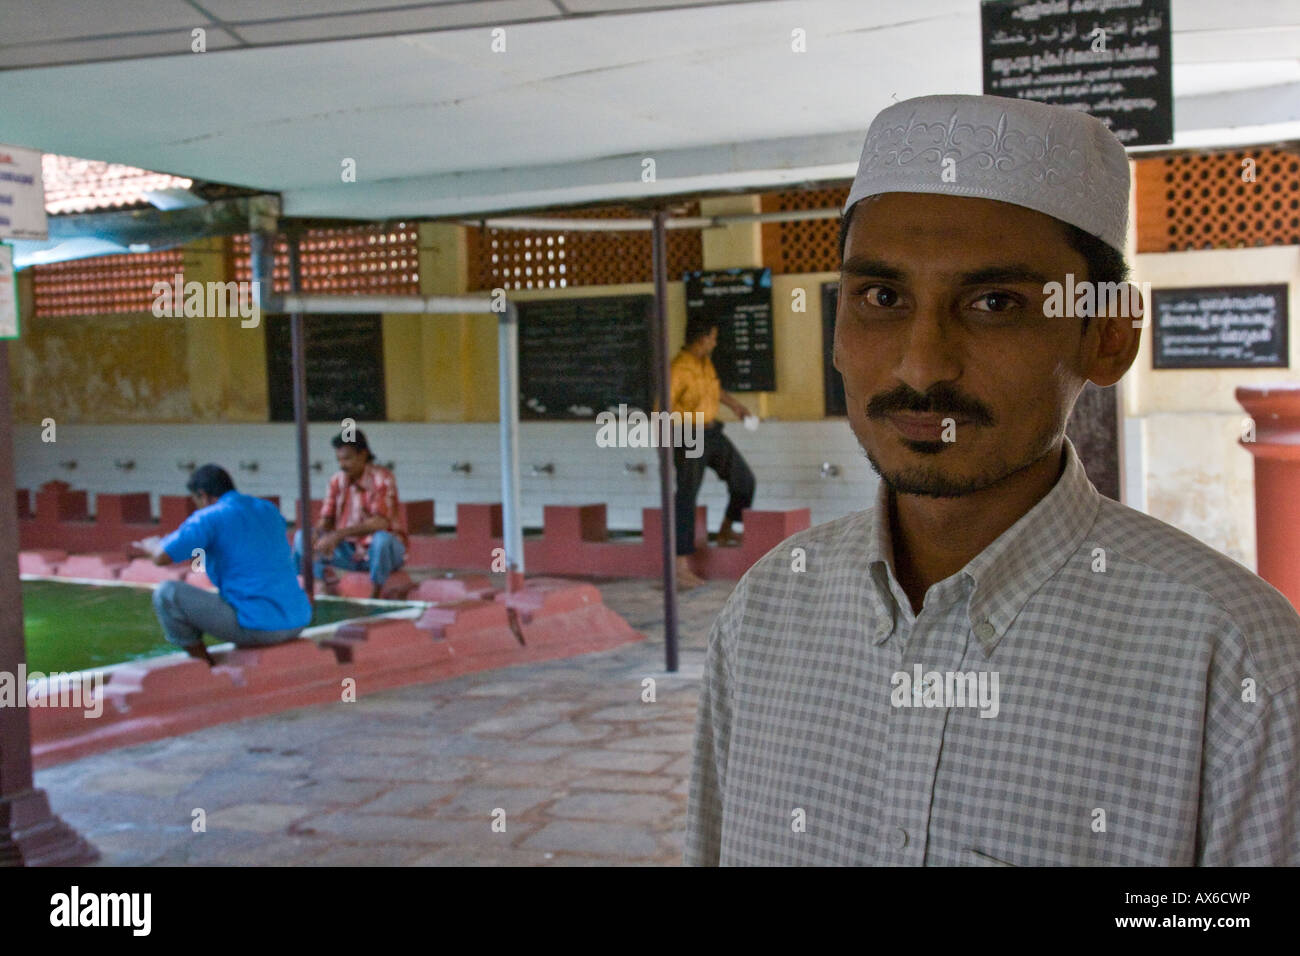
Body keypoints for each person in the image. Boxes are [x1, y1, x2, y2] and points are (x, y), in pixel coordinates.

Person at [685, 93, 1300, 866]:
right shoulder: (767, 615)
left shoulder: (1236, 665)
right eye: (882, 298)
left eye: (994, 303)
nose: (921, 366)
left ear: (1108, 337)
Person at [134, 464, 311, 667]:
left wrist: (150, 545)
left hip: (259, 628)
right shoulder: (268, 509)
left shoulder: (209, 517)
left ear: (203, 495)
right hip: (298, 621)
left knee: (167, 593)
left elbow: (161, 557)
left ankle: (204, 665)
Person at [669, 316, 758, 590]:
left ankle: (726, 529)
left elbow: (715, 390)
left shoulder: (704, 363)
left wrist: (737, 406)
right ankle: (679, 568)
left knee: (744, 480)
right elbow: (663, 407)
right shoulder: (678, 368)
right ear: (702, 338)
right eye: (713, 337)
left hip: (711, 432)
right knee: (686, 496)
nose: (716, 342)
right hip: (687, 433)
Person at [292, 428, 407, 599]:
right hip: (350, 552)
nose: (342, 464)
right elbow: (327, 518)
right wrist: (318, 532)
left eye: (347, 458)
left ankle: (375, 593)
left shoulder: (382, 478)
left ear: (363, 454)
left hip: (384, 554)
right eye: (339, 459)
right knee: (303, 537)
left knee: (381, 540)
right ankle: (319, 585)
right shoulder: (336, 480)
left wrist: (338, 534)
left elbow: (380, 523)